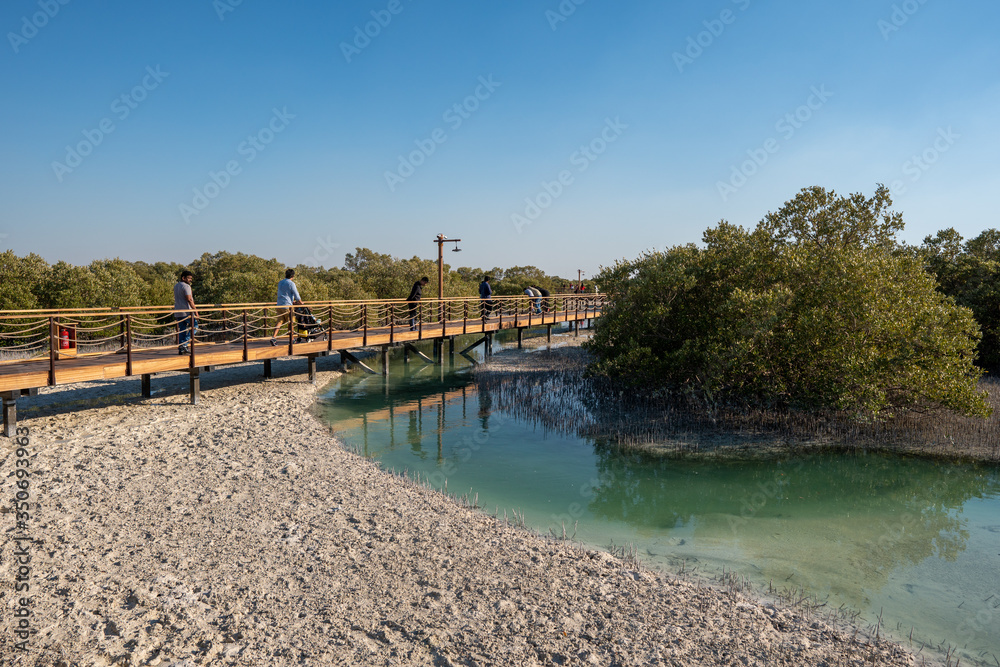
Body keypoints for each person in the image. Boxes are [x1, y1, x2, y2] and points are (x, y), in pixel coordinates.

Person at [270, 268, 304, 345]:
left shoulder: (280, 282)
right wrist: (301, 303)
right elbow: (297, 296)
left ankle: (273, 338)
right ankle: (292, 339)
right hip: (287, 306)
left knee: (279, 321)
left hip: (279, 305)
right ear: (293, 276)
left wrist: (292, 301)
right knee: (291, 322)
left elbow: (284, 294)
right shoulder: (291, 283)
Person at [173, 270, 198, 355]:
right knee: (195, 326)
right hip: (187, 312)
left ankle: (181, 348)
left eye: (191, 278)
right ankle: (184, 344)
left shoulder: (176, 286)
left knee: (182, 330)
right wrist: (196, 311)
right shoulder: (186, 286)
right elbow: (189, 299)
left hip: (178, 311)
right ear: (183, 278)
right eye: (189, 278)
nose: (190, 280)